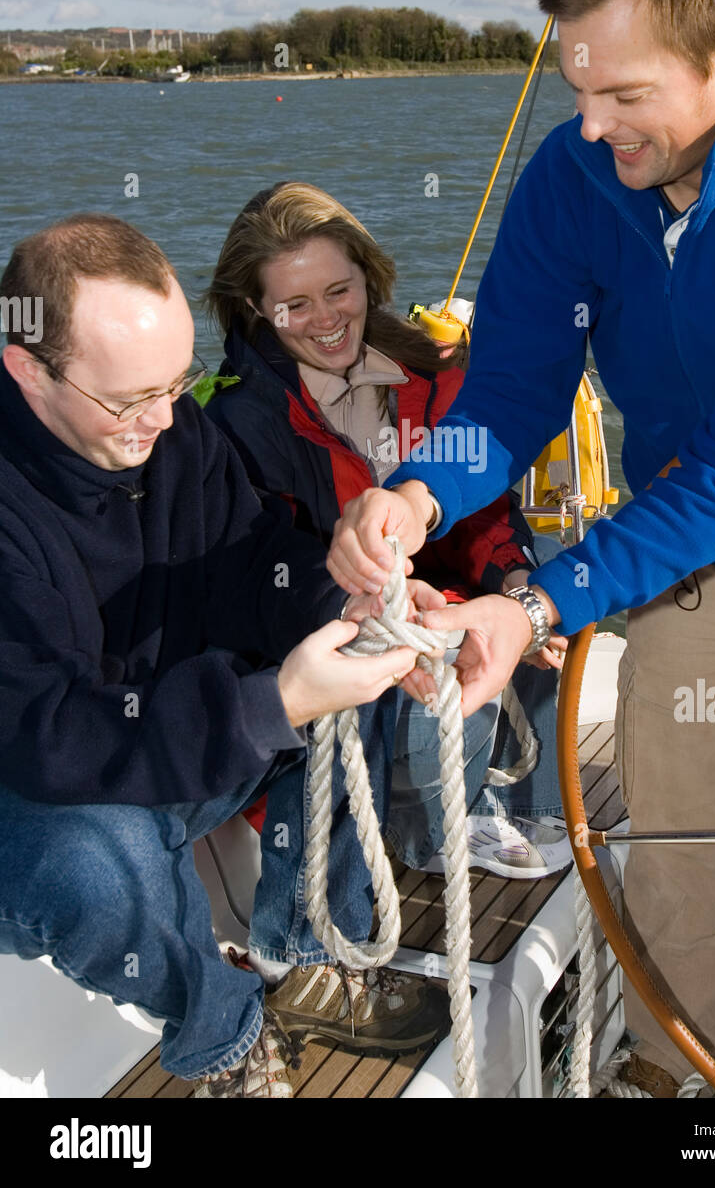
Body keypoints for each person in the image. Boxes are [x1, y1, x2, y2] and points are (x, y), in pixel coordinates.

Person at [326, 0, 715, 1097]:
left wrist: (533, 600)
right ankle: (681, 1077)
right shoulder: (573, 178)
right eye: (576, 83)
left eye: (624, 93)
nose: (587, 125)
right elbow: (510, 390)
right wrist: (414, 495)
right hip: (688, 567)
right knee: (678, 844)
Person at [0, 213, 452, 1100]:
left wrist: (348, 600)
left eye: (180, 383)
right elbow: (47, 736)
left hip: (155, 742)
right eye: (131, 399)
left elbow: (249, 557)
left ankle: (312, 954)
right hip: (36, 799)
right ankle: (223, 1030)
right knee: (100, 860)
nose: (168, 420)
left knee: (352, 655)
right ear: (27, 368)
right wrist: (266, 704)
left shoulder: (167, 426)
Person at [201, 180, 571, 883]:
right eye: (294, 305)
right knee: (440, 638)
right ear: (254, 308)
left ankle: (530, 804)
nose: (325, 321)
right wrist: (397, 606)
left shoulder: (434, 376)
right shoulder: (236, 424)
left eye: (339, 291)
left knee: (547, 575)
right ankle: (423, 830)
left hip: (433, 607)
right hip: (336, 635)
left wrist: (516, 582)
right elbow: (263, 573)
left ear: (368, 275)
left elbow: (486, 509)